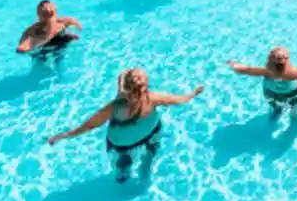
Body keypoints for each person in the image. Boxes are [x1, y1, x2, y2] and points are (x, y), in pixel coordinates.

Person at [47, 68, 204, 182]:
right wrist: (193, 93)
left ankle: (135, 168)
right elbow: (88, 125)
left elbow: (88, 126)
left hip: (131, 140)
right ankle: (138, 168)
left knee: (135, 156)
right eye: (138, 77)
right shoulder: (136, 102)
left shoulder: (129, 104)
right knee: (139, 154)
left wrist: (193, 94)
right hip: (139, 137)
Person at [227, 47, 297, 118]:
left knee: (274, 106)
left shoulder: (266, 72)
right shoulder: (295, 73)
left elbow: (246, 70)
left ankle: (277, 110)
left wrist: (234, 65)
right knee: (295, 108)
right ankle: (294, 118)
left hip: (272, 95)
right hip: (293, 94)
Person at [17, 0, 83, 54]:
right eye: (45, 14)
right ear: (38, 15)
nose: (48, 19)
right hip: (42, 50)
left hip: (59, 45)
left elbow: (79, 28)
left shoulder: (65, 21)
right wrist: (39, 41)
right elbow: (20, 50)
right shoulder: (32, 31)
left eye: (50, 14)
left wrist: (68, 35)